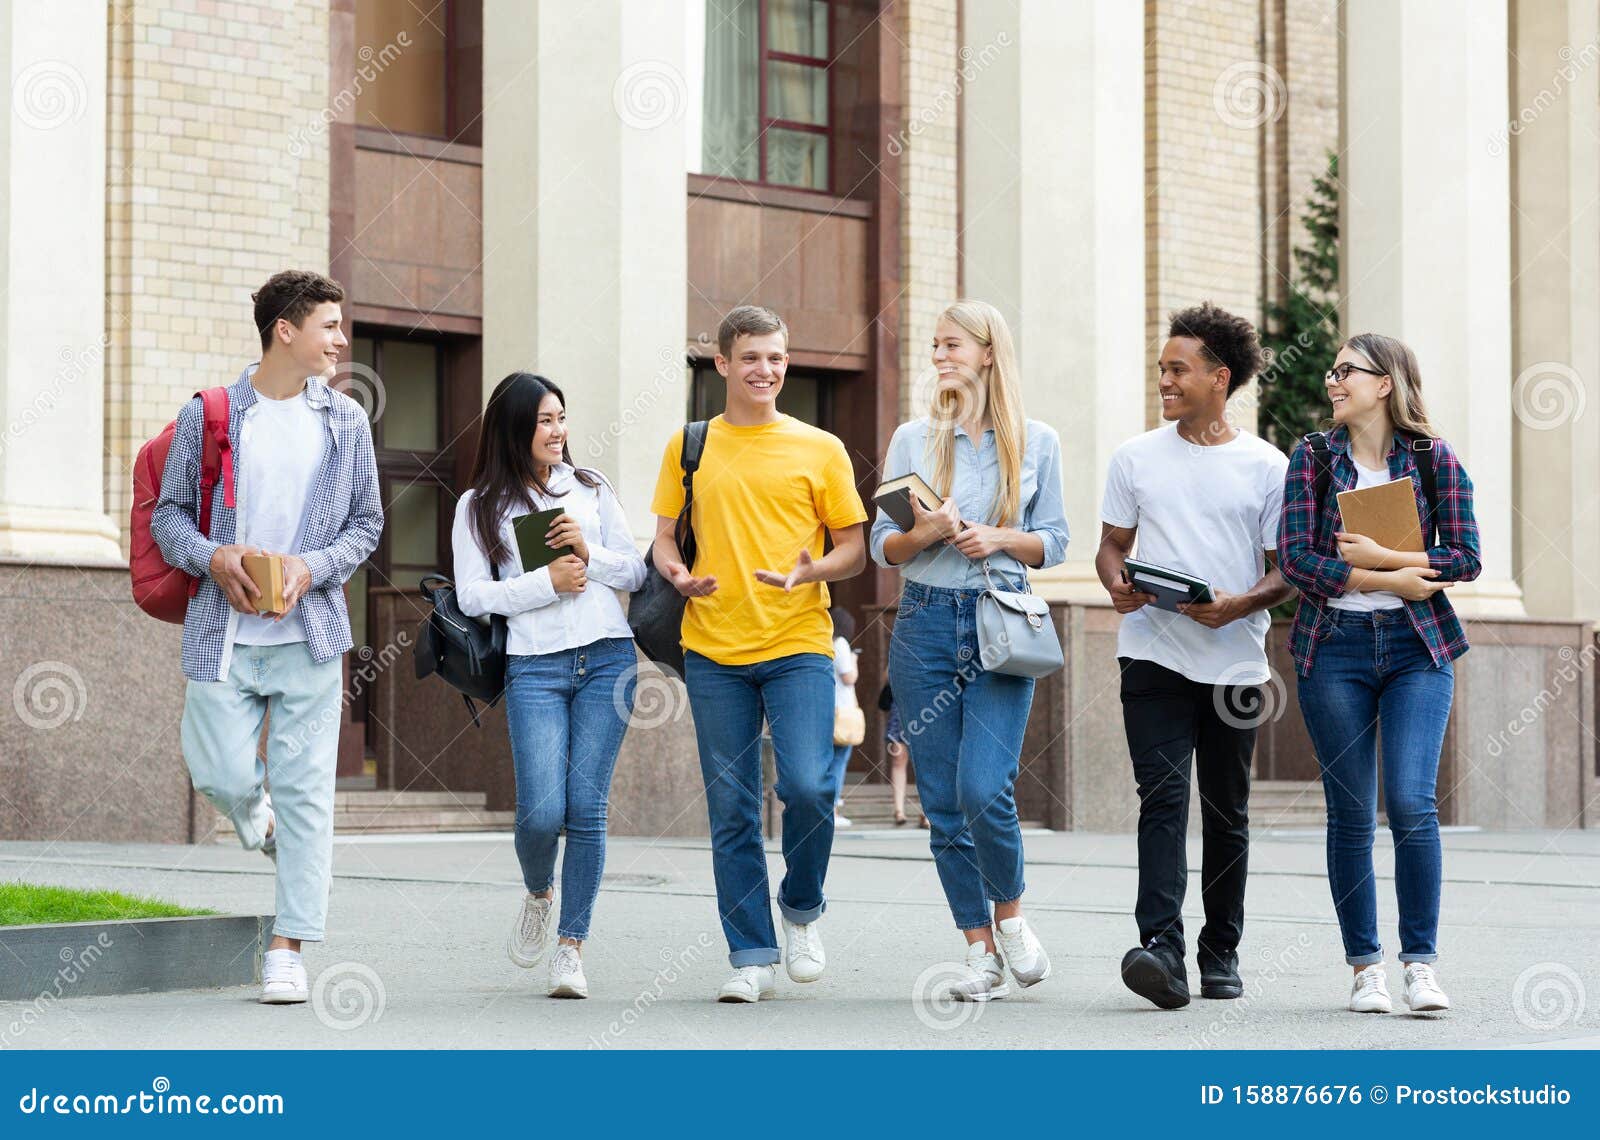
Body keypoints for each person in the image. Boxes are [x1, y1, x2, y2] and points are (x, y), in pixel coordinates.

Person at [151, 269, 384, 1004]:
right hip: (223, 633)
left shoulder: (345, 421)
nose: (340, 341)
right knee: (219, 771)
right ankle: (260, 821)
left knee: (307, 792)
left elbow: (367, 525)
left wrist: (314, 567)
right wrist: (212, 558)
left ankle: (289, 947)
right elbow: (168, 516)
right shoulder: (211, 414)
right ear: (286, 330)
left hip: (309, 635)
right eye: (329, 326)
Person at [650, 305, 869, 1003]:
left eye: (775, 357)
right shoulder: (689, 445)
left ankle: (800, 906)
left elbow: (855, 548)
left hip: (798, 642)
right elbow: (664, 537)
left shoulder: (820, 448)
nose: (764, 370)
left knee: (809, 787)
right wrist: (677, 575)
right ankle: (750, 954)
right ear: (722, 363)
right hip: (712, 650)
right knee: (733, 809)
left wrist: (812, 571)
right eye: (750, 357)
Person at [1096, 301, 1294, 1010]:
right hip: (1151, 653)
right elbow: (1112, 544)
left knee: (1226, 809)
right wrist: (1116, 582)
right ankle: (1162, 949)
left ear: (1220, 377)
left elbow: (1286, 569)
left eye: (1178, 369)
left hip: (1235, 662)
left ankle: (1221, 951)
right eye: (1162, 369)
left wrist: (1239, 604)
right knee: (1162, 799)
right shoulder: (1134, 457)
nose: (1165, 381)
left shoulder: (1267, 466)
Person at [870, 299, 1069, 1002]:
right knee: (943, 800)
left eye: (951, 344)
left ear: (988, 352)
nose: (939, 356)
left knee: (985, 787)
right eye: (934, 345)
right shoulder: (912, 440)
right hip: (923, 623)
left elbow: (1055, 541)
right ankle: (979, 950)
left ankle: (1010, 917)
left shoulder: (1037, 441)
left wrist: (997, 537)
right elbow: (883, 546)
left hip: (1001, 624)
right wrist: (927, 533)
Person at [1277, 334, 1479, 1015]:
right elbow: (1297, 561)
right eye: (1331, 371)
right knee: (1352, 812)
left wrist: (1394, 559)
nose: (1332, 381)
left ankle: (1420, 964)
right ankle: (1366, 968)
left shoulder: (1431, 458)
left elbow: (1466, 556)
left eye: (1346, 371)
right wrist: (1388, 575)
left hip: (1418, 647)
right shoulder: (1312, 457)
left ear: (1385, 382)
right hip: (1333, 648)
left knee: (1412, 802)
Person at [453, 372, 647, 1000]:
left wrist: (588, 553)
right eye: (544, 420)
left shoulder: (591, 487)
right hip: (534, 666)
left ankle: (571, 946)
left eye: (561, 417)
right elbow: (472, 595)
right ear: (515, 427)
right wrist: (546, 585)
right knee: (541, 813)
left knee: (586, 809)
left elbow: (637, 572)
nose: (557, 430)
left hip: (607, 659)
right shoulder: (479, 505)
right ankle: (539, 893)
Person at [827, 606, 861, 827]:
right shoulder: (840, 644)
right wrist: (854, 659)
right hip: (842, 710)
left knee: (829, 760)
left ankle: (828, 808)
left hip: (829, 707)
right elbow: (849, 678)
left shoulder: (826, 642)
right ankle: (833, 810)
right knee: (839, 761)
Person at [877, 682, 915, 827]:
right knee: (898, 759)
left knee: (928, 763)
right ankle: (899, 810)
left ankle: (927, 814)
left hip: (928, 704)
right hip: (901, 705)